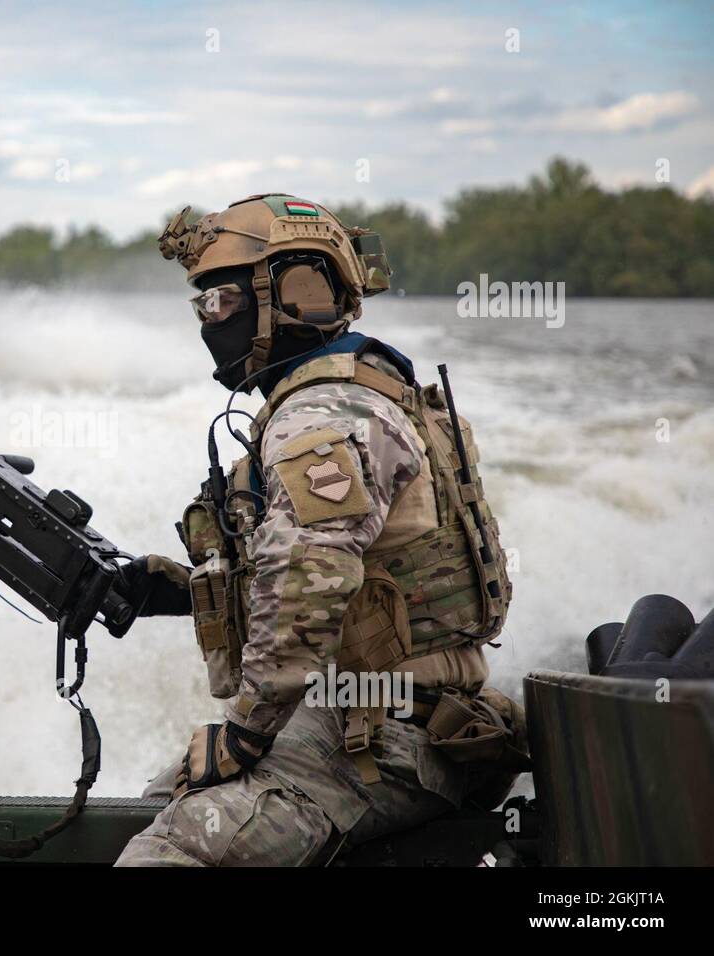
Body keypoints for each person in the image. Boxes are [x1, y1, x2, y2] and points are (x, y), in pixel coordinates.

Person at [113, 194, 524, 867]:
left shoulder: (321, 415)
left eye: (220, 301)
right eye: (202, 306)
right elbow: (335, 572)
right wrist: (178, 589)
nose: (209, 322)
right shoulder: (360, 395)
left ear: (293, 294)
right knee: (159, 797)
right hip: (380, 715)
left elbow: (313, 578)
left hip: (386, 736)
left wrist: (244, 733)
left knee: (164, 854)